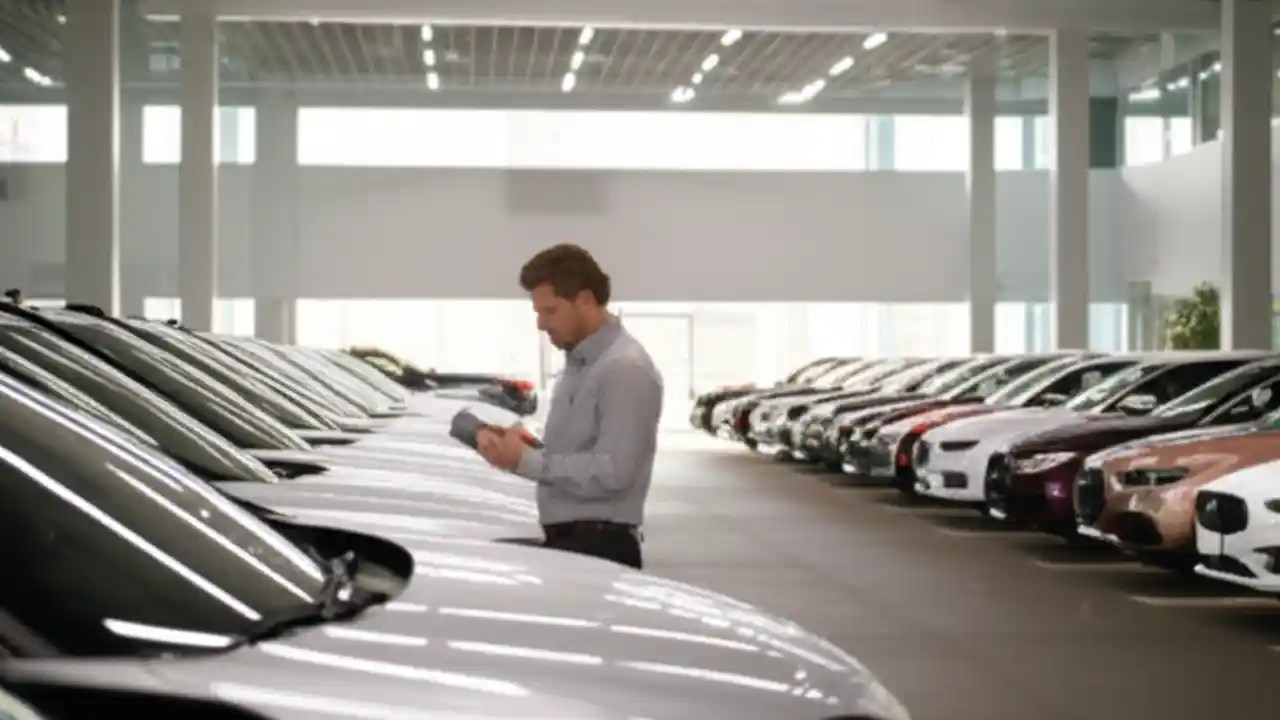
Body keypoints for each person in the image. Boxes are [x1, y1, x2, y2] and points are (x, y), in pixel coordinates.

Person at [475, 244, 663, 569]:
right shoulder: (581, 363)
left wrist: (525, 461)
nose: (541, 324)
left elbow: (614, 472)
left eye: (550, 311)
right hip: (576, 539)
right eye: (537, 312)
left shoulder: (624, 369)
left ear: (586, 301)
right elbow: (580, 448)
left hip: (599, 545)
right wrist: (530, 446)